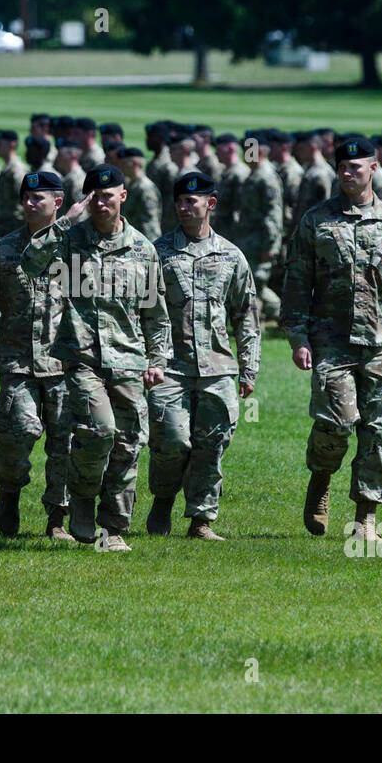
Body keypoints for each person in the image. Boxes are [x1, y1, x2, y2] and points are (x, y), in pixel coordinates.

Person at [20, 164, 171, 551]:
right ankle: (83, 499)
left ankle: (113, 528)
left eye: (109, 195)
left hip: (129, 359)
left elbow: (154, 313)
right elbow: (31, 262)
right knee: (98, 430)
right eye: (94, 196)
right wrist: (66, 221)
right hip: (82, 357)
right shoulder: (72, 240)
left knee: (129, 441)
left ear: (123, 196)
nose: (101, 202)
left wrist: (158, 359)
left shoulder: (142, 248)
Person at [280, 135, 382, 542]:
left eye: (355, 167)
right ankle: (321, 478)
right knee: (337, 423)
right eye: (342, 167)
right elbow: (296, 283)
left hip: (380, 342)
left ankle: (365, 520)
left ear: (373, 169)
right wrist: (298, 336)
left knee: (378, 431)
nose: (347, 173)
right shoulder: (316, 221)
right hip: (331, 342)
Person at [147, 171, 259, 540]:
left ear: (210, 204)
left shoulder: (231, 256)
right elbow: (140, 310)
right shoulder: (158, 252)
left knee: (212, 443)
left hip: (218, 365)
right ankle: (163, 499)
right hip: (170, 366)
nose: (183, 207)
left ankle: (201, 520)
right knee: (172, 440)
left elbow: (246, 314)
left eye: (190, 201)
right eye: (178, 201)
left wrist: (249, 368)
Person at [0, 170, 72, 540]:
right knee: (16, 434)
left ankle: (57, 519)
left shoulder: (77, 248)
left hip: (66, 364)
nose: (29, 204)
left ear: (57, 203)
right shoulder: (3, 250)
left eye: (38, 199)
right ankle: (9, 494)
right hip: (18, 363)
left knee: (66, 443)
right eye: (25, 198)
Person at [236, 130, 284, 322]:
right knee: (252, 285)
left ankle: (256, 326)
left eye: (249, 150)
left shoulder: (266, 177)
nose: (245, 154)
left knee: (255, 286)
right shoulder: (254, 175)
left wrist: (270, 246)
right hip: (250, 240)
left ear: (261, 151)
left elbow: (273, 214)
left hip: (260, 243)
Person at [118, 146, 162, 241]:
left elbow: (150, 222)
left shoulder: (145, 188)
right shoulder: (133, 184)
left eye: (124, 163)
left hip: (144, 241)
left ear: (135, 163)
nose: (121, 167)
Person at [0, 129, 27, 239]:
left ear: (12, 144)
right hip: (4, 227)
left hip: (14, 228)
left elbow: (25, 200)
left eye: (0, 143)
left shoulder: (17, 170)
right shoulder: (7, 168)